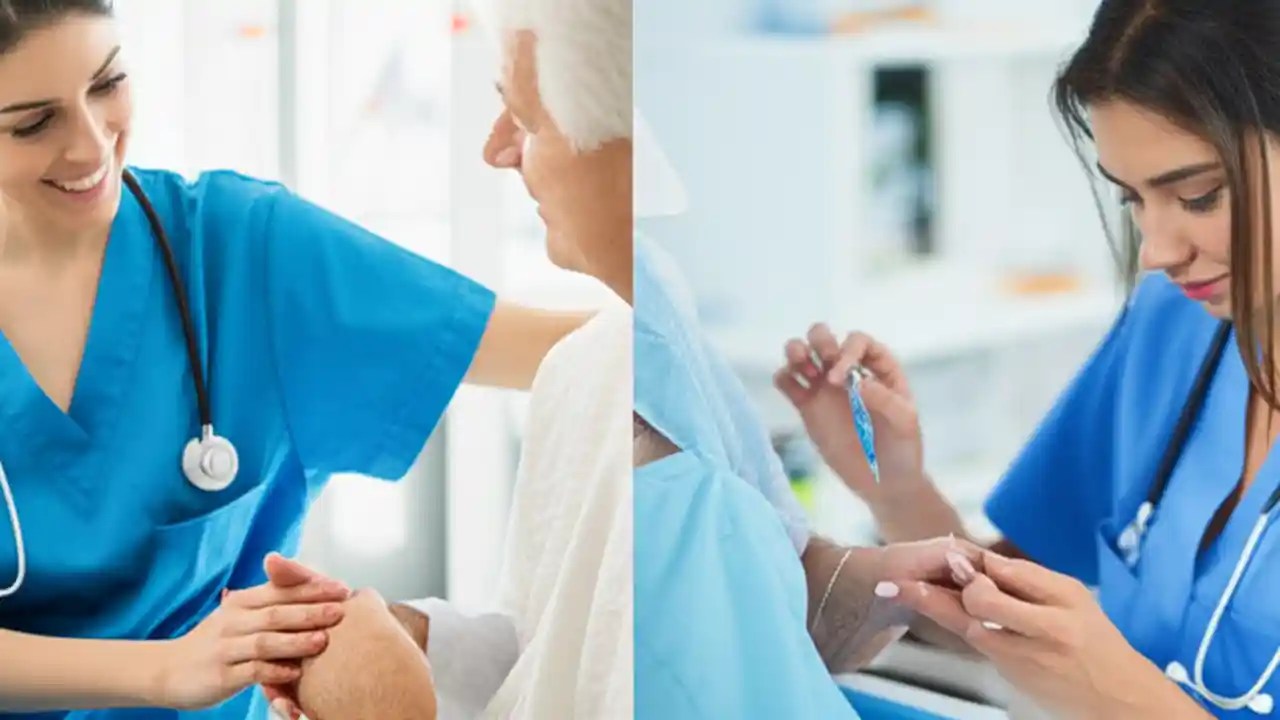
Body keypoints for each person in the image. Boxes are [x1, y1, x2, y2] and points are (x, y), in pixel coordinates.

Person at [0, 2, 593, 718]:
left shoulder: (243, 253)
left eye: (108, 83)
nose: (92, 144)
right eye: (33, 124)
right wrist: (163, 669)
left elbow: (572, 354)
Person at [778, 1, 1280, 716]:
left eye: (1199, 196)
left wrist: (1123, 695)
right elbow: (1019, 612)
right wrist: (896, 487)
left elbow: (1093, 678)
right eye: (1134, 200)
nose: (1160, 252)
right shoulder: (1174, 328)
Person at [259, 0, 635, 717]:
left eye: (526, 121)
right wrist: (417, 639)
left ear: (629, 145)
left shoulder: (675, 394)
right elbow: (553, 651)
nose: (496, 150)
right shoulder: (584, 369)